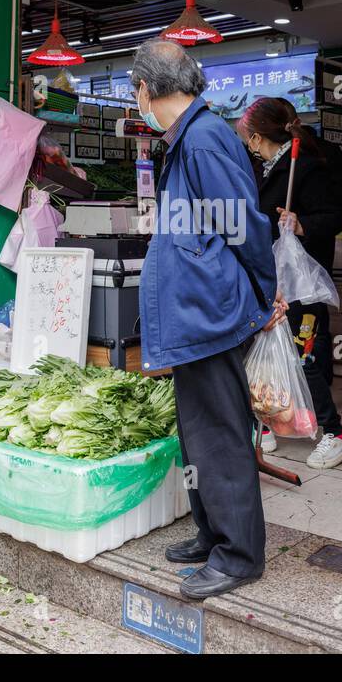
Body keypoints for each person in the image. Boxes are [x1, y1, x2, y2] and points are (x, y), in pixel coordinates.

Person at [134, 40, 285, 601]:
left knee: (219, 436)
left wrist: (262, 296)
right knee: (198, 434)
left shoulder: (200, 141)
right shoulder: (188, 139)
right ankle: (210, 532)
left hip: (212, 313)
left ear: (146, 90)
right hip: (195, 312)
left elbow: (245, 225)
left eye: (137, 92)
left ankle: (239, 555)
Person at [237, 97, 342, 469]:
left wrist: (301, 224)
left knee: (304, 356)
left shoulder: (307, 165)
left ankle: (336, 434)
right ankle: (267, 421)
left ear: (257, 137)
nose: (247, 146)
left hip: (300, 279)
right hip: (270, 276)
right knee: (263, 350)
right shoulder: (266, 167)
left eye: (247, 138)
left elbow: (333, 217)